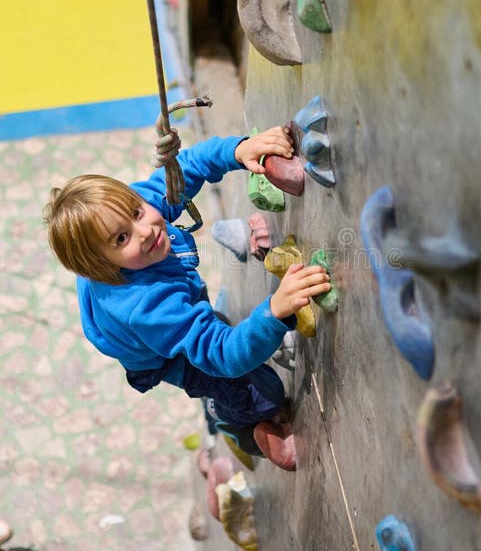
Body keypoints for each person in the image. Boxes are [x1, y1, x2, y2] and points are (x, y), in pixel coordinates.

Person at [44, 126, 330, 463]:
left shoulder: (134, 211)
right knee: (259, 391)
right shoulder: (149, 307)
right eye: (121, 239)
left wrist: (239, 150)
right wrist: (276, 312)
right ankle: (235, 427)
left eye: (136, 213)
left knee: (214, 326)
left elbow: (187, 167)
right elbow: (223, 355)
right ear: (100, 265)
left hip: (167, 313)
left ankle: (224, 376)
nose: (146, 230)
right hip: (164, 354)